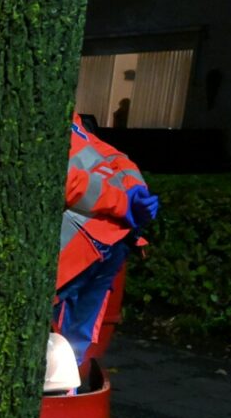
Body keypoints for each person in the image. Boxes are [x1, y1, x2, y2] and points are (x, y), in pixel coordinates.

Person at [54, 114, 159, 364]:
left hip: (81, 250)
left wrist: (132, 192)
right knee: (72, 347)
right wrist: (132, 194)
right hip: (113, 240)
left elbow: (60, 181)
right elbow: (110, 157)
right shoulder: (69, 118)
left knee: (57, 347)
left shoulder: (54, 116)